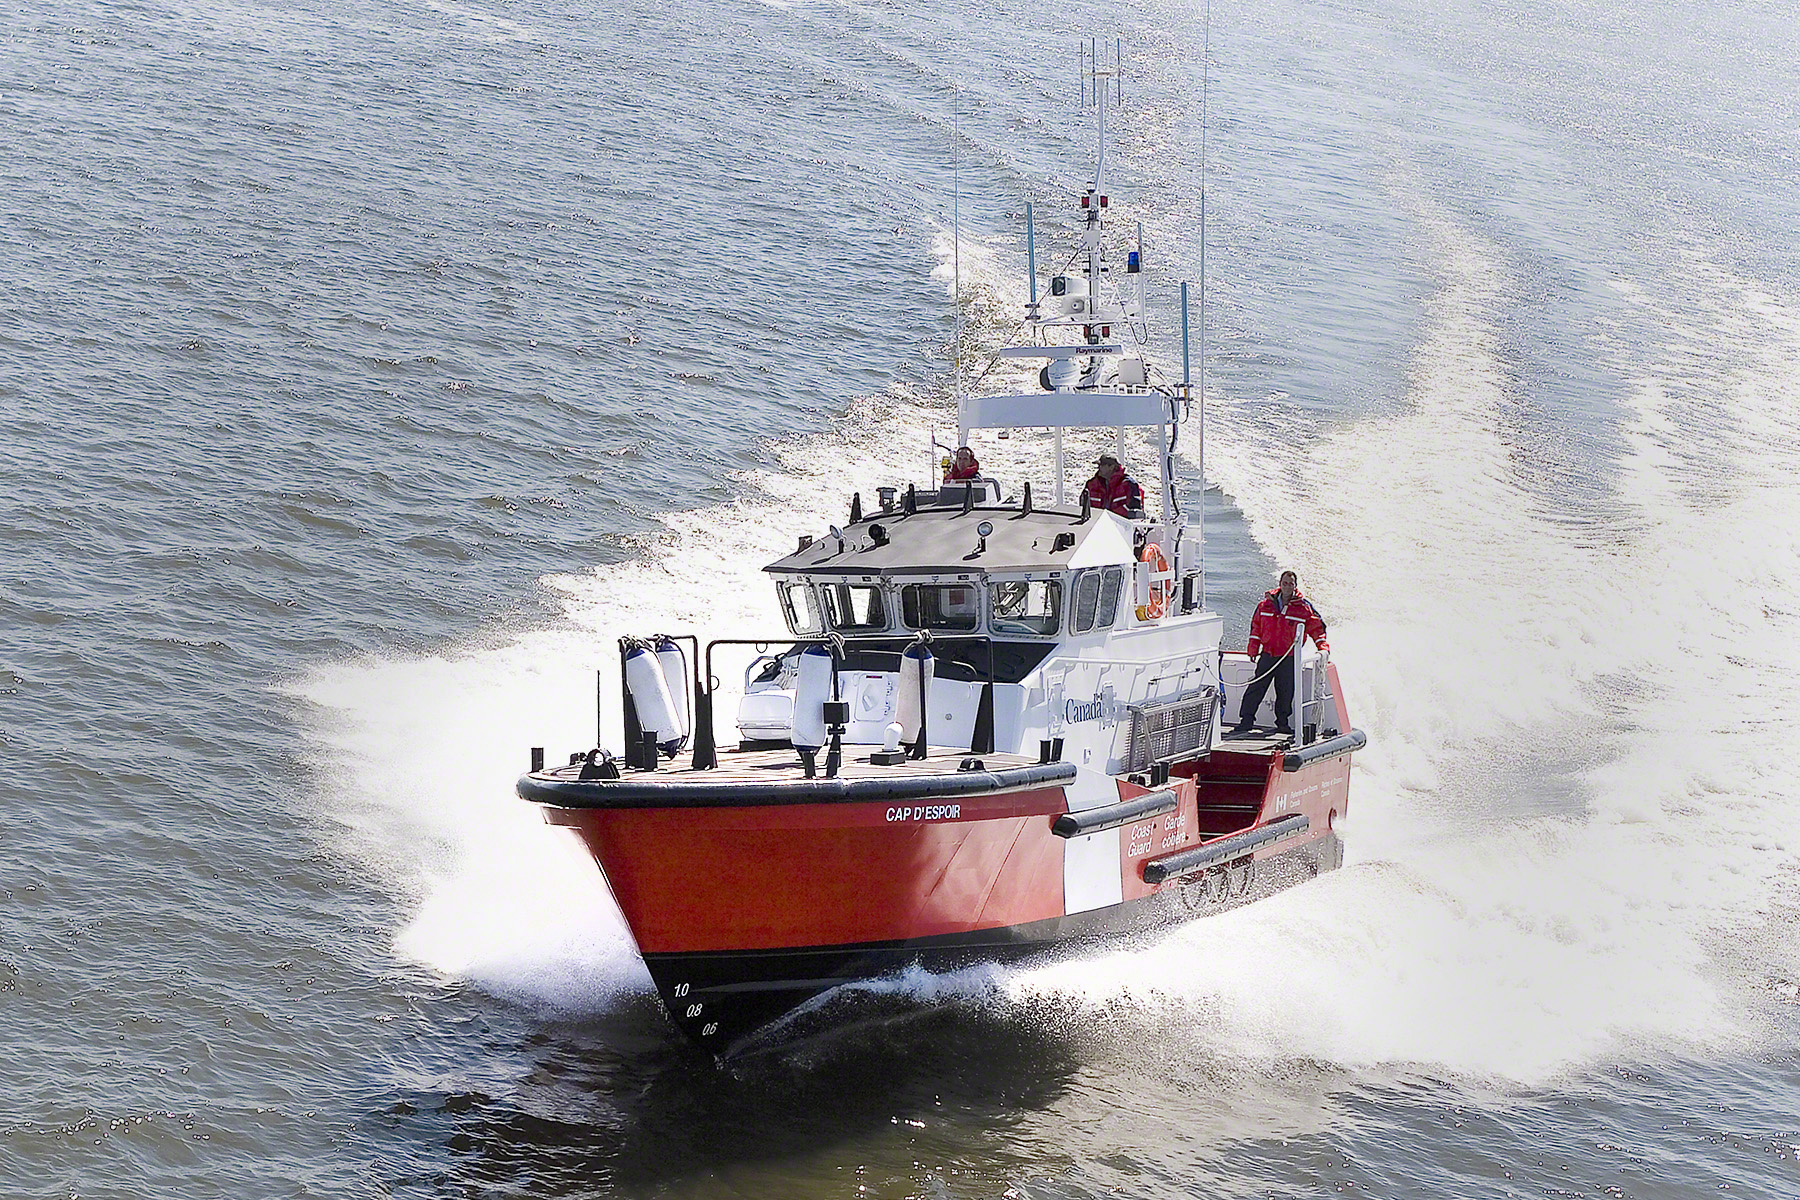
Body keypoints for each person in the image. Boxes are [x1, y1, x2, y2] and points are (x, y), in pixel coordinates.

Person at [1231, 570, 1329, 736]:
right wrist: (1253, 649)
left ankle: (1282, 724)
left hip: (1289, 657)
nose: (1288, 586)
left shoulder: (1304, 608)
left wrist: (1322, 647)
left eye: (1291, 583)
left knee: (1285, 691)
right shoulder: (1265, 605)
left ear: (1295, 586)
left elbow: (1317, 628)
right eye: (1285, 583)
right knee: (1256, 688)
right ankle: (1246, 721)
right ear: (1280, 584)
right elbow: (1256, 628)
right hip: (1268, 655)